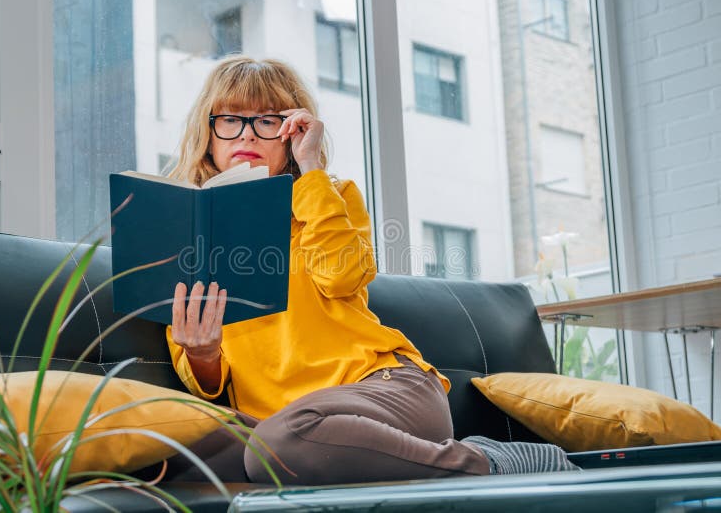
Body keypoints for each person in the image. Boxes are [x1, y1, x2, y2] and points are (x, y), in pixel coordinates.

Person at [163, 55, 578, 485]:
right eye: (230, 119)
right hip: (282, 428)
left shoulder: (328, 195)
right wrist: (202, 353)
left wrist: (310, 170)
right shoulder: (187, 233)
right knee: (168, 449)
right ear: (208, 133)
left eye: (268, 121)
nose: (247, 133)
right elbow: (205, 382)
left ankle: (488, 462)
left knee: (281, 441)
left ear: (291, 134)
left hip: (387, 390)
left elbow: (341, 276)